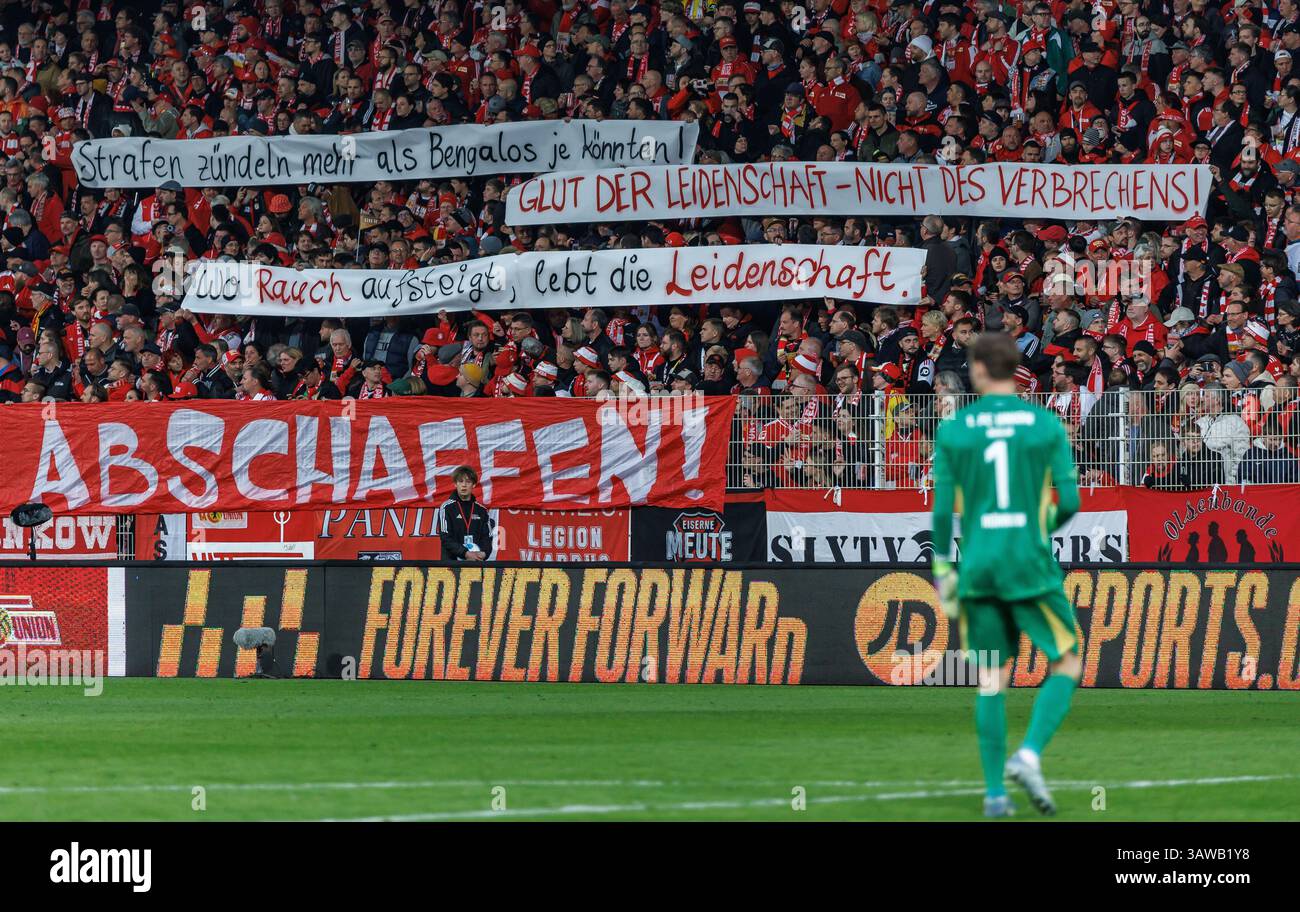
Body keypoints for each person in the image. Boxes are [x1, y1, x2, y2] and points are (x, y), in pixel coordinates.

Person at [930, 333, 1081, 818]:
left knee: (991, 680)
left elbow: (941, 513)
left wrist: (942, 569)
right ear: (1016, 369)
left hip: (977, 566)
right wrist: (1040, 530)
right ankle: (1030, 753)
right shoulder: (1044, 424)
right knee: (1067, 661)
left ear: (976, 370)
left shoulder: (955, 429)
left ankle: (995, 794)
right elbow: (1071, 502)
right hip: (1028, 563)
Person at [438, 465, 494, 561]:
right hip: (451, 566)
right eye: (460, 481)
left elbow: (487, 538)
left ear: (474, 485)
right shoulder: (446, 507)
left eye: (468, 482)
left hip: (475, 564)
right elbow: (445, 538)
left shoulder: (482, 511)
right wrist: (465, 553)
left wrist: (484, 553)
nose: (464, 485)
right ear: (455, 484)